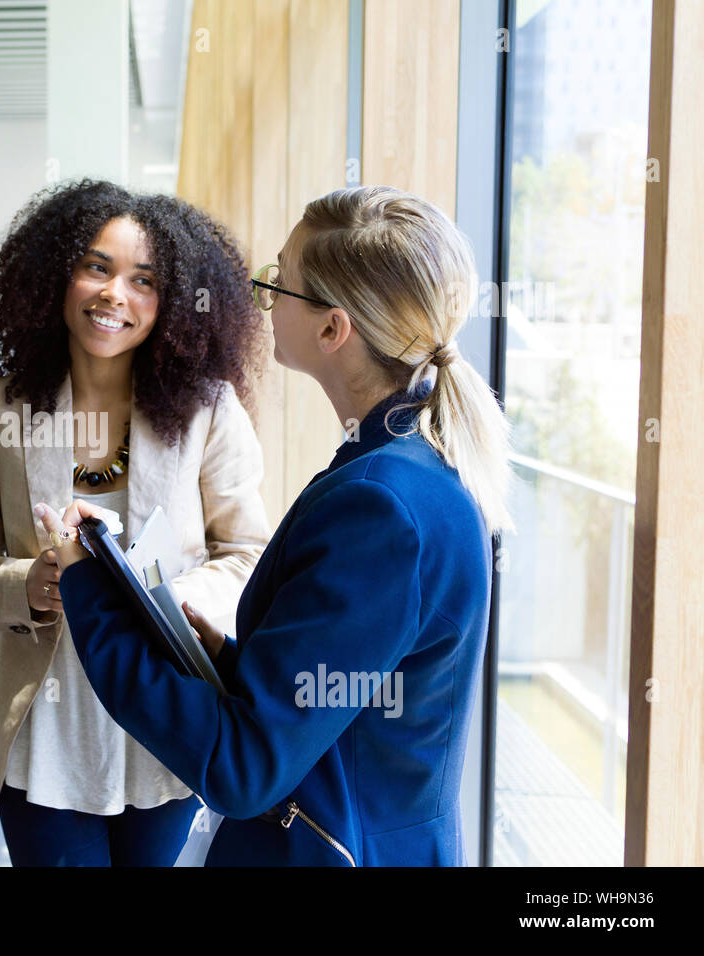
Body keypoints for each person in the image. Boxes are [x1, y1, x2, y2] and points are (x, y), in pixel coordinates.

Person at [36, 185, 513, 866]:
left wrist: (90, 592)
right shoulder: (407, 466)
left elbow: (243, 768)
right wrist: (226, 656)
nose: (264, 298)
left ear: (331, 329)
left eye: (278, 283)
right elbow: (348, 691)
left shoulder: (382, 506)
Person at [0, 179, 272, 866]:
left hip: (164, 724)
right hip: (44, 732)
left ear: (172, 302)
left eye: (143, 279)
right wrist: (30, 583)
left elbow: (247, 554)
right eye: (97, 266)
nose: (114, 294)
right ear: (57, 277)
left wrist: (166, 601)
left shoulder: (210, 412)